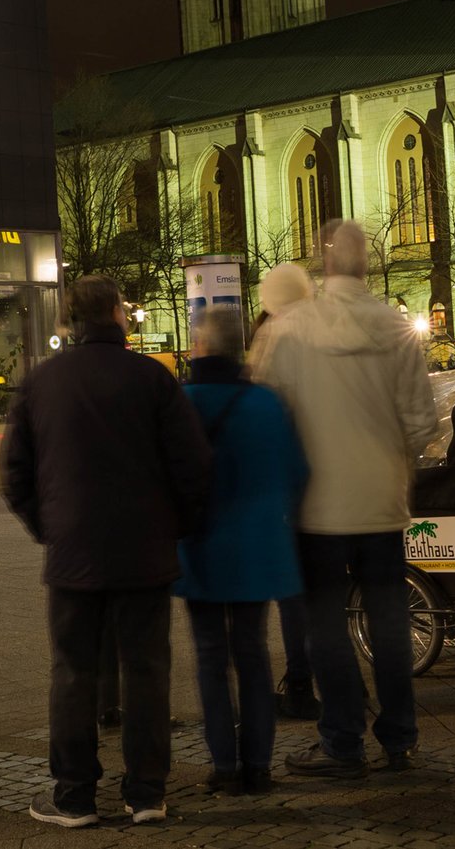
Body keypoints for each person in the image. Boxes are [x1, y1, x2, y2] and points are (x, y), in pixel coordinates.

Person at [1, 275, 213, 828]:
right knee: (145, 670)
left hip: (74, 555)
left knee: (73, 672)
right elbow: (191, 467)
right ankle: (145, 792)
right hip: (144, 551)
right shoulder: (153, 380)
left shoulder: (42, 382)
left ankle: (73, 795)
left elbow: (14, 472)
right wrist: (176, 526)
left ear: (71, 320)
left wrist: (49, 526)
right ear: (118, 313)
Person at [265, 220, 438, 778]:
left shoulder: (293, 330)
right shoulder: (396, 327)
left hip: (318, 506)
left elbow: (270, 413)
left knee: (325, 623)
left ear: (323, 262)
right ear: (369, 263)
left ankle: (342, 739)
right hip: (382, 500)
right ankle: (400, 736)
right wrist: (394, 459)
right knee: (388, 617)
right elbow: (421, 421)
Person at [176, 305, 308, 795]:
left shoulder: (182, 402)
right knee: (252, 653)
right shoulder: (268, 404)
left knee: (210, 655)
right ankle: (259, 763)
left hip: (201, 549)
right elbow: (297, 474)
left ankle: (223, 763)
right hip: (257, 550)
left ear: (201, 346)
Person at [250, 262, 322, 722]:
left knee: (295, 596)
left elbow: (263, 420)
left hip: (291, 489)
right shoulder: (328, 332)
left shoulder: (270, 339)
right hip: (333, 481)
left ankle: (299, 683)